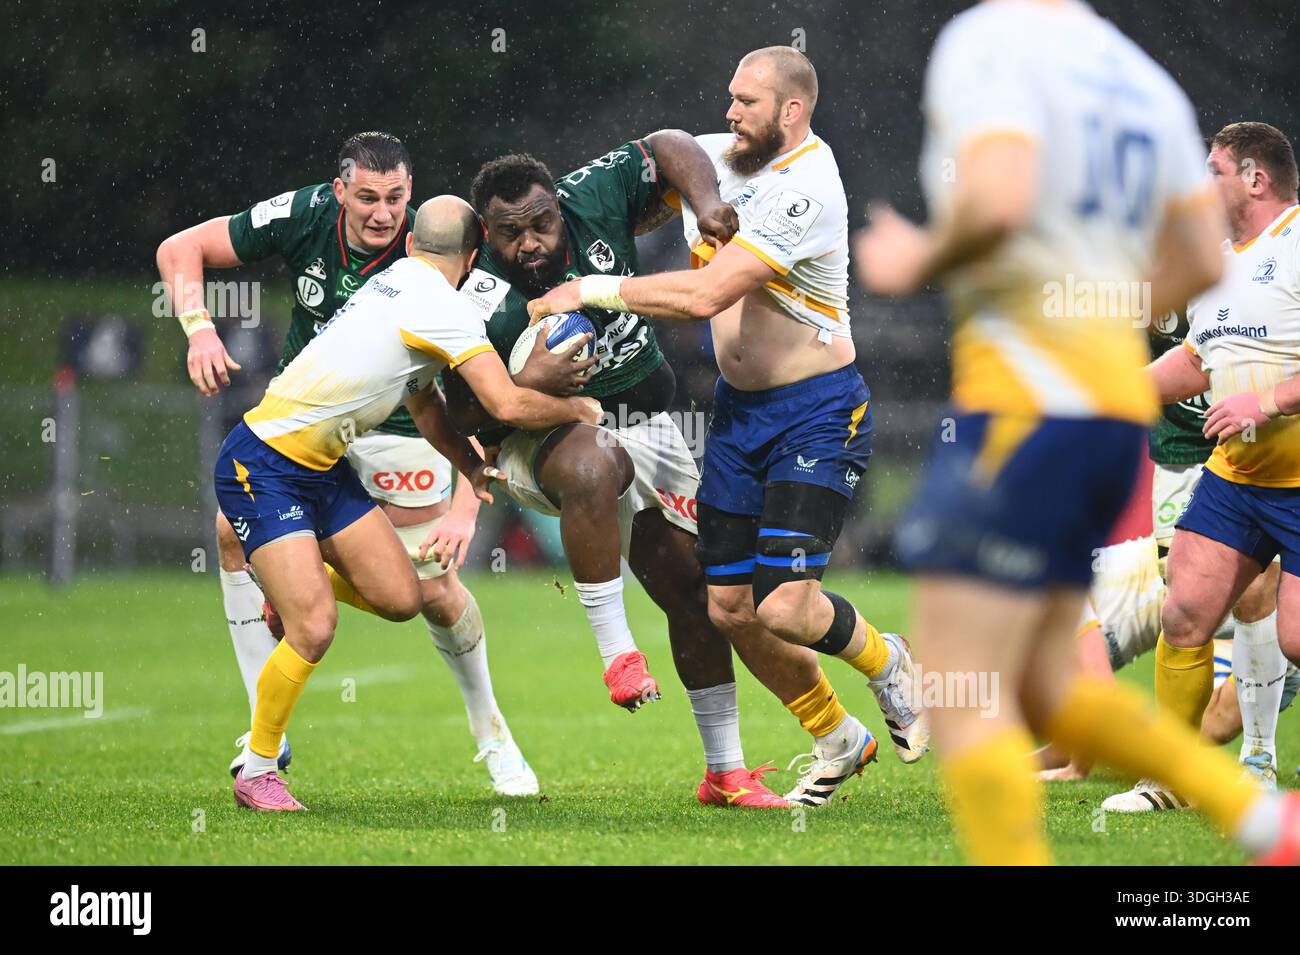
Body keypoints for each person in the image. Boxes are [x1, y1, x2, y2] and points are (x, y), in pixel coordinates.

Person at [854, 0, 1298, 864]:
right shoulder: (1146, 82)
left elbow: (1000, 195)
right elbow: (1203, 265)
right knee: (1053, 677)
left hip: (1027, 403)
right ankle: (1259, 822)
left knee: (956, 677)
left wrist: (919, 258)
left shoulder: (988, 39)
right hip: (1106, 409)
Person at [527, 48, 930, 805]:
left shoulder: (808, 184)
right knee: (729, 606)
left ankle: (888, 661)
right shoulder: (718, 159)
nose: (731, 112)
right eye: (729, 97)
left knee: (784, 604)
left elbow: (708, 294)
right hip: (740, 416)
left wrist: (593, 287)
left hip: (818, 410)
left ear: (793, 112)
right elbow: (642, 173)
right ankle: (836, 738)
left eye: (747, 101)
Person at [450, 133, 876, 807]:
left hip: (648, 425)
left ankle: (725, 772)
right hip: (542, 440)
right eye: (509, 234)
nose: (529, 243)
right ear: (485, 233)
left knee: (699, 592)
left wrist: (706, 204)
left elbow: (670, 144)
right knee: (596, 461)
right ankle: (617, 652)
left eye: (541, 224)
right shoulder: (477, 293)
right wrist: (531, 379)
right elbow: (462, 413)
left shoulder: (593, 193)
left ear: (559, 206)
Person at [156, 133, 538, 795]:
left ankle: (493, 734)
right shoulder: (311, 217)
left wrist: (467, 491)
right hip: (289, 443)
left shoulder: (436, 261)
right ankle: (262, 746)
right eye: (367, 197)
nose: (383, 213)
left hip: (388, 435)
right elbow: (177, 248)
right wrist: (199, 327)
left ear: (414, 210)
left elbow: (465, 404)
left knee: (422, 592)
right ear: (339, 193)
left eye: (396, 199)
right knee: (271, 575)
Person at [218, 196, 599, 810]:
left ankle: (290, 582)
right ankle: (260, 768)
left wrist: (471, 467)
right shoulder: (444, 310)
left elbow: (424, 406)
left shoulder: (392, 282)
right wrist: (579, 409)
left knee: (403, 597)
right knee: (314, 626)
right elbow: (503, 405)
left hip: (321, 468)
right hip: (264, 464)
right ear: (473, 256)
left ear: (413, 243)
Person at [1107, 121, 1300, 810]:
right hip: (1238, 479)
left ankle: (1251, 758)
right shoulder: (1218, 260)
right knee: (1184, 613)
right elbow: (1195, 360)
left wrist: (1269, 401)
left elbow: (1263, 388)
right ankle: (1171, 778)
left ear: (1255, 178)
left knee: (1295, 635)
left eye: (1213, 169)